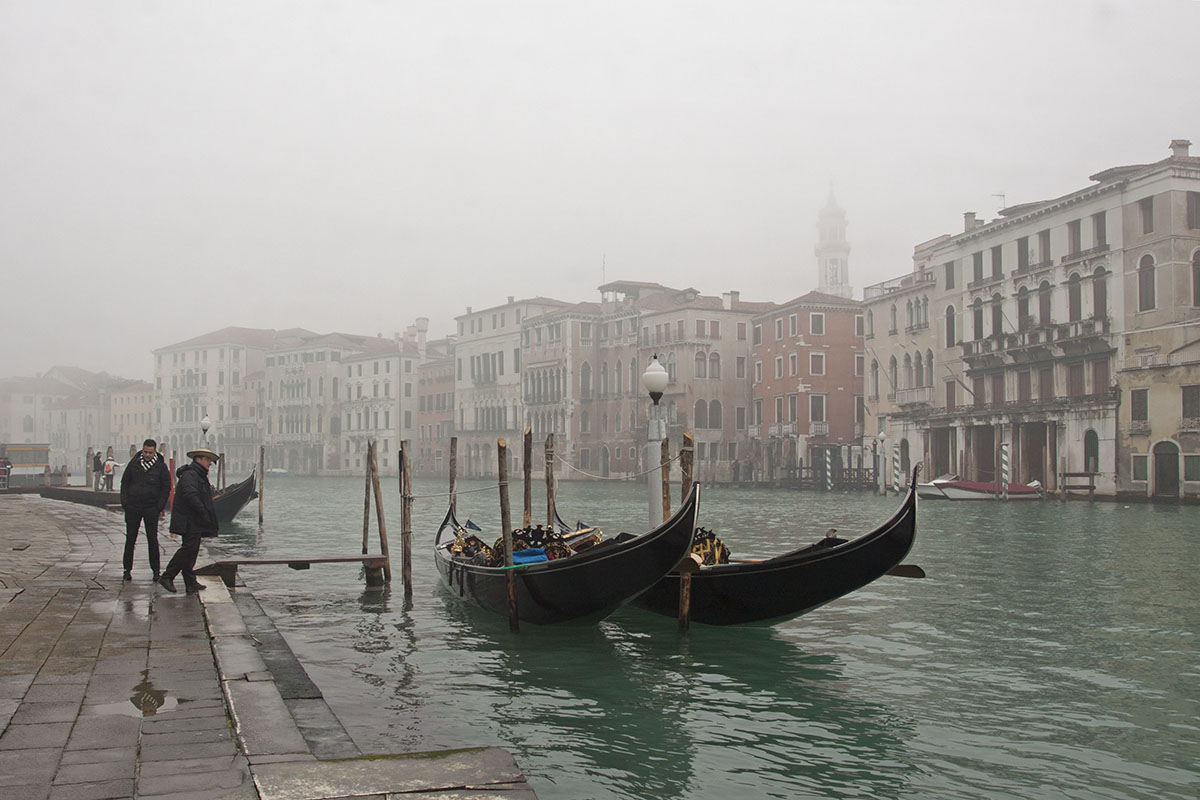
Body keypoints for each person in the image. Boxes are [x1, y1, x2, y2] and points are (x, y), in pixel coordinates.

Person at [158, 448, 220, 594]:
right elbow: (190, 495)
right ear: (198, 459)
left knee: (192, 550)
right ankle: (167, 576)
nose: (210, 463)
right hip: (189, 519)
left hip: (194, 520)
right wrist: (203, 512)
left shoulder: (198, 475)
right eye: (207, 460)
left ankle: (190, 582)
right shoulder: (190, 475)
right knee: (188, 549)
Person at [119, 439, 172, 582]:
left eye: (150, 452)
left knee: (152, 540)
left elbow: (166, 487)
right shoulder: (134, 464)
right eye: (145, 452)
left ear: (155, 451)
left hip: (151, 507)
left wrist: (159, 507)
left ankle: (156, 571)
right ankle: (127, 570)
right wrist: (125, 503)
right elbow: (124, 483)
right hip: (133, 507)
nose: (147, 455)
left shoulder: (161, 467)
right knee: (130, 539)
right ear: (142, 450)